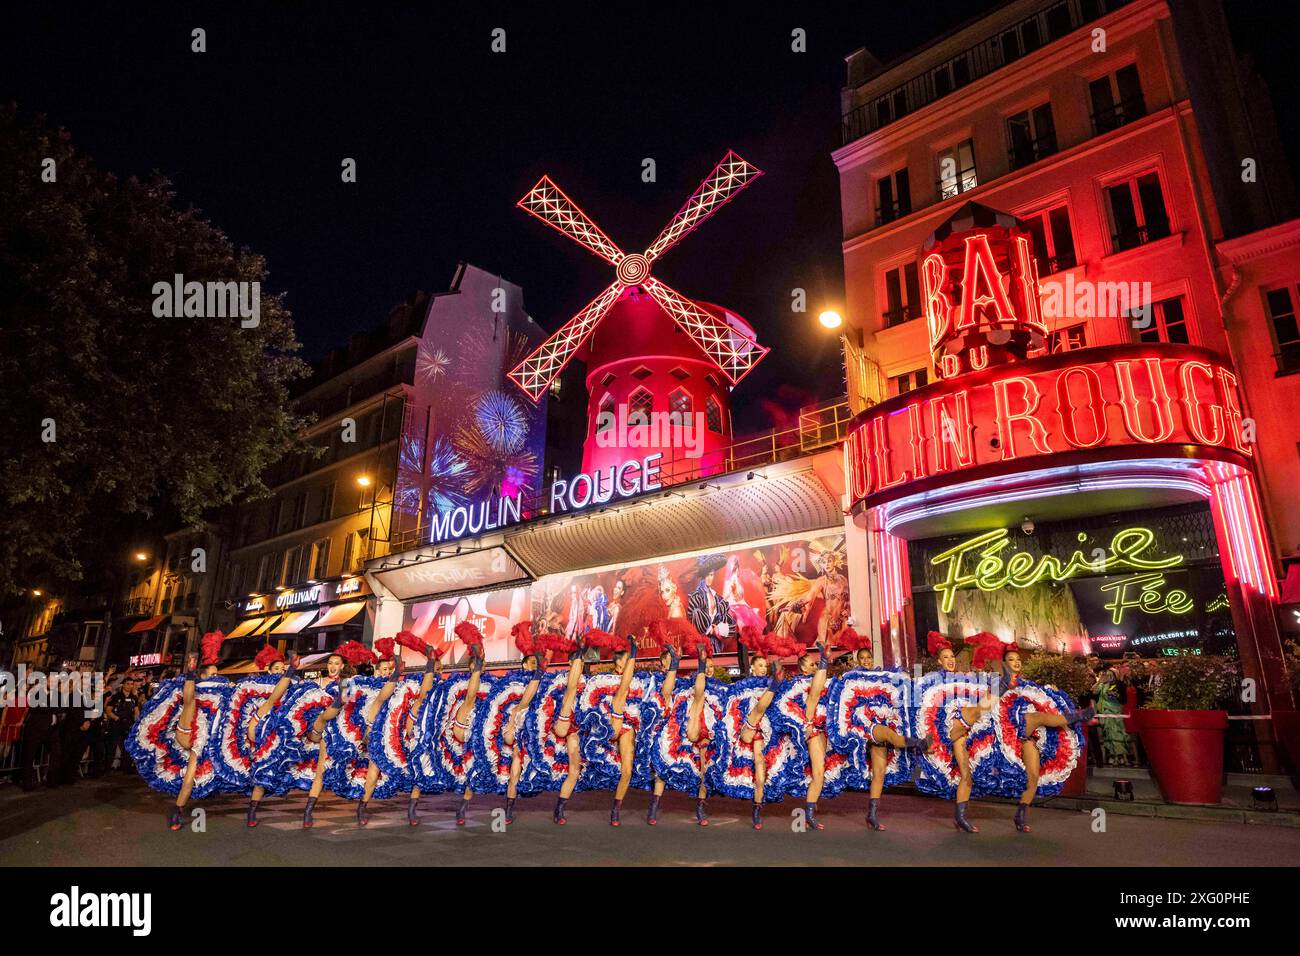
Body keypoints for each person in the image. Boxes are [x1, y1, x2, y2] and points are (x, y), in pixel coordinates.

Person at [1000, 647, 1093, 833]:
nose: (1016, 662)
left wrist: (1052, 690)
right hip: (1006, 729)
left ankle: (1020, 814)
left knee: (1033, 778)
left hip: (1027, 735)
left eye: (1018, 659)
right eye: (1011, 659)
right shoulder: (1000, 682)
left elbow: (1041, 696)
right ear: (1004, 664)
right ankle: (1078, 716)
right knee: (1037, 717)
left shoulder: (1026, 683)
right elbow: (990, 703)